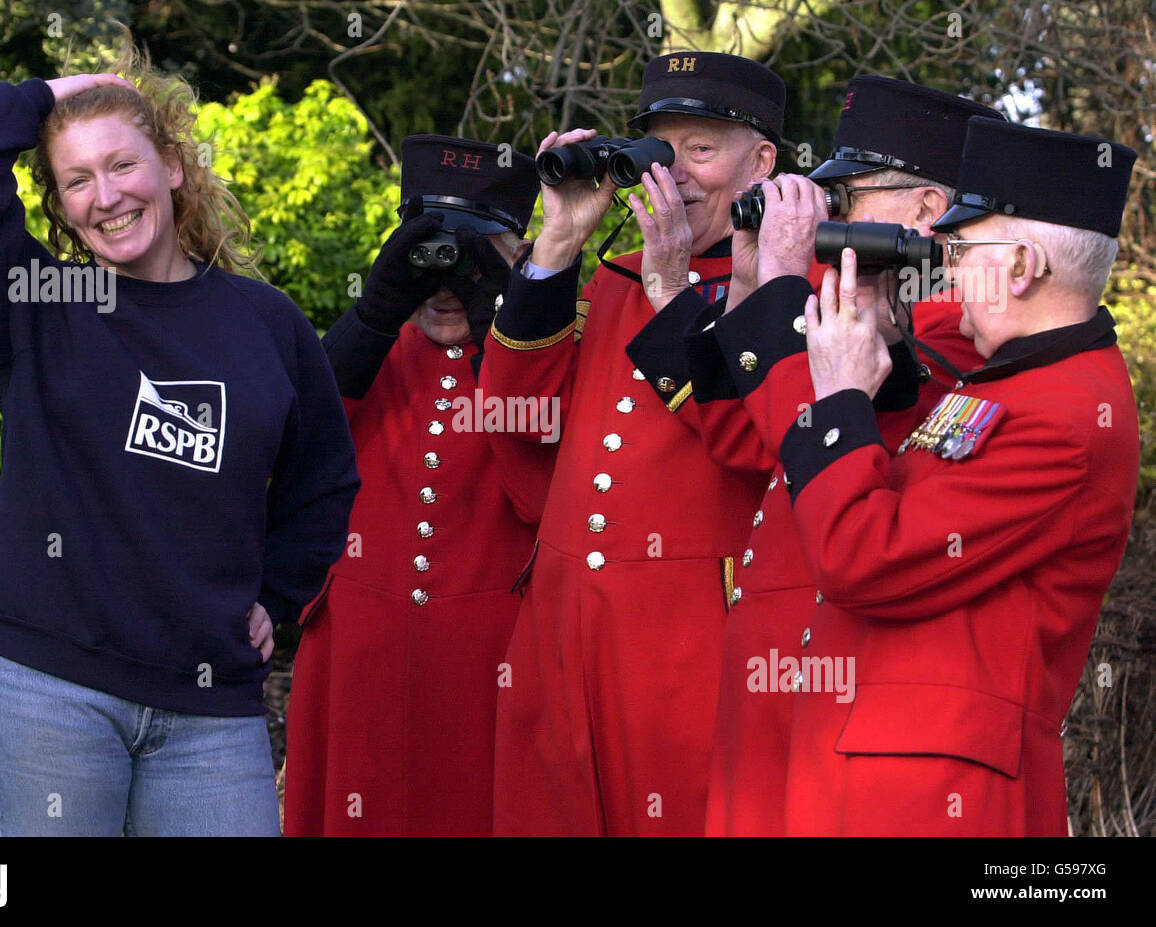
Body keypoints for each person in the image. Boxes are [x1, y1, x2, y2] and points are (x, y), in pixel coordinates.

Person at [0, 45, 359, 836]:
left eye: (123, 164)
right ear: (60, 205)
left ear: (175, 168)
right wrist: (49, 91)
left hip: (209, 710)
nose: (106, 196)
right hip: (48, 693)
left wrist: (276, 593)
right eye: (77, 180)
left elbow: (323, 481)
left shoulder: (266, 324)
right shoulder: (41, 303)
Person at [775, 116, 1138, 835]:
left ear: (1021, 266)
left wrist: (842, 395)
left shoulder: (1067, 418)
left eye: (965, 247)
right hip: (878, 767)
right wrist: (883, 349)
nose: (945, 265)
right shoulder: (1018, 382)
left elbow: (862, 556)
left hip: (931, 792)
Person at [479, 51, 788, 836]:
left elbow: (760, 445)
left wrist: (674, 293)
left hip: (684, 649)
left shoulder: (791, 287)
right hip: (562, 633)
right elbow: (517, 417)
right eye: (658, 145)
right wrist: (556, 242)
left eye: (701, 149)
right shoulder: (614, 273)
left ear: (762, 163)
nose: (671, 173)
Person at [684, 77, 1002, 836]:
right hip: (768, 669)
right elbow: (736, 436)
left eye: (851, 193)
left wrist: (787, 286)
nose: (829, 212)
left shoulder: (954, 337)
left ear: (928, 211)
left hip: (831, 673)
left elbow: (806, 431)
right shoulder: (853, 305)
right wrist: (753, 284)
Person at [282, 135, 545, 836]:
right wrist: (370, 316)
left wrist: (503, 323)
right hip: (355, 666)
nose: (446, 277)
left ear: (519, 254)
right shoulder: (366, 355)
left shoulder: (544, 363)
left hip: (486, 672)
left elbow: (541, 492)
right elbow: (288, 465)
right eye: (427, 249)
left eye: (474, 250)